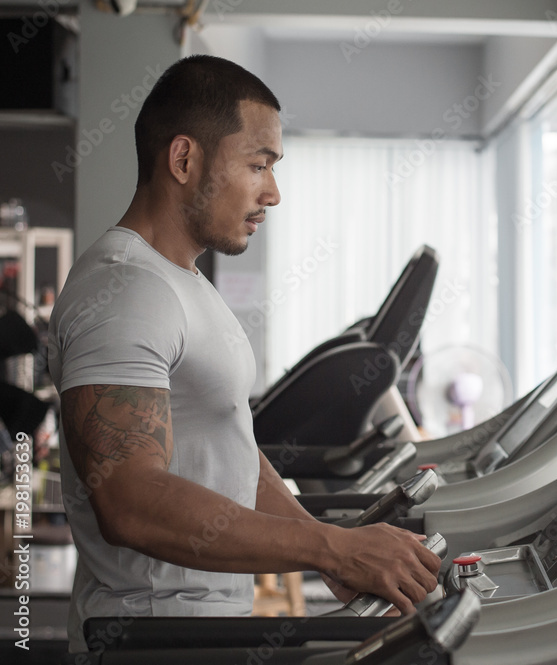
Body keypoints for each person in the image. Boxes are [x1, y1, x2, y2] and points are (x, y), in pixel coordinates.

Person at [48, 55, 440, 653]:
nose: (274, 193)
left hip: (204, 628)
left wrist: (327, 549)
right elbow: (129, 502)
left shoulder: (181, 282)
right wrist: (330, 548)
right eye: (258, 165)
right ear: (184, 160)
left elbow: (228, 448)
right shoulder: (124, 293)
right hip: (153, 638)